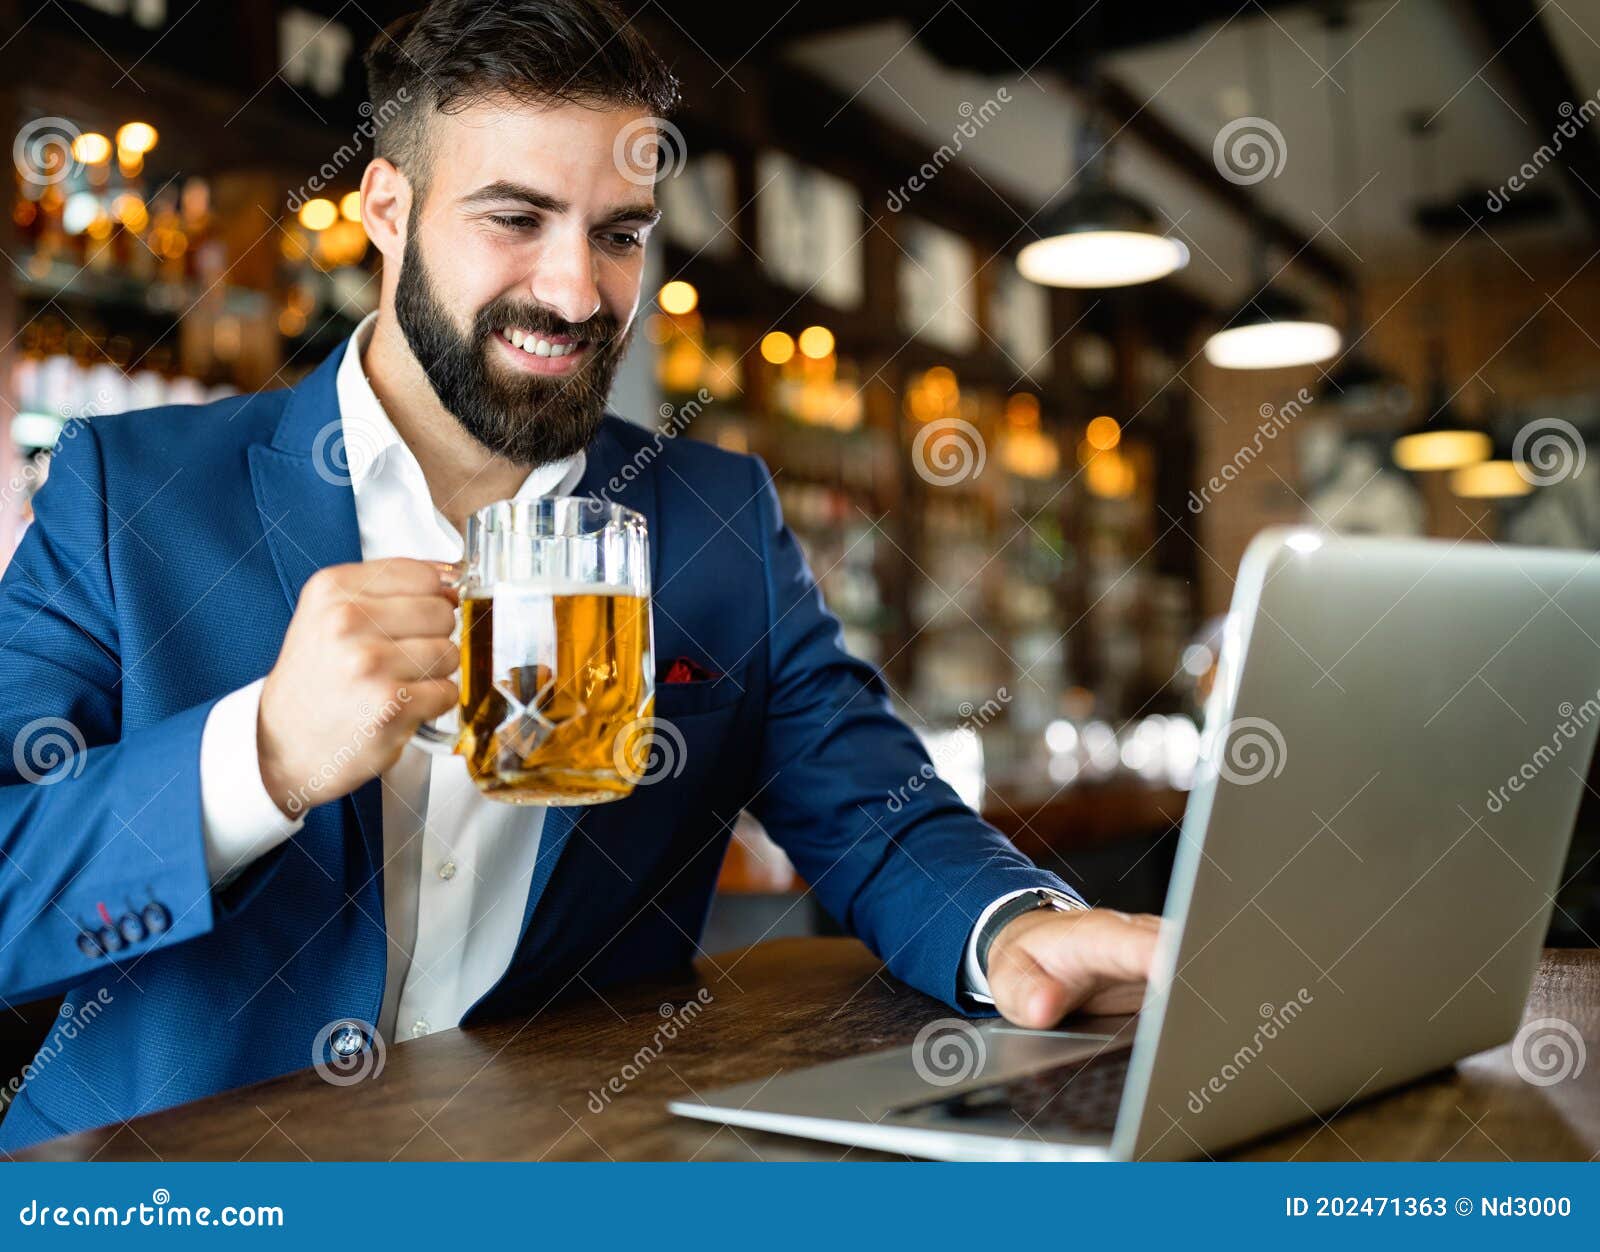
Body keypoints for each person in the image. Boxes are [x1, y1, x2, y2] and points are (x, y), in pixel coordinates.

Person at [0, 0, 1157, 1151]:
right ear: (388, 212)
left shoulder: (716, 518)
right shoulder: (131, 489)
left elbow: (873, 810)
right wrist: (259, 756)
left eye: (618, 233)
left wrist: (1011, 929)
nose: (576, 292)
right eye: (515, 217)